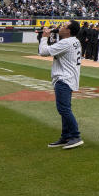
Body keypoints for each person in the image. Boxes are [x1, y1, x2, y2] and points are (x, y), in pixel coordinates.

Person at [39, 20, 84, 150]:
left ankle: (75, 136)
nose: (61, 27)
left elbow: (43, 52)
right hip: (69, 77)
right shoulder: (73, 41)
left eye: (64, 26)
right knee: (65, 108)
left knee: (63, 109)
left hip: (64, 78)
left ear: (69, 31)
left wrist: (44, 38)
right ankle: (66, 136)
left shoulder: (66, 42)